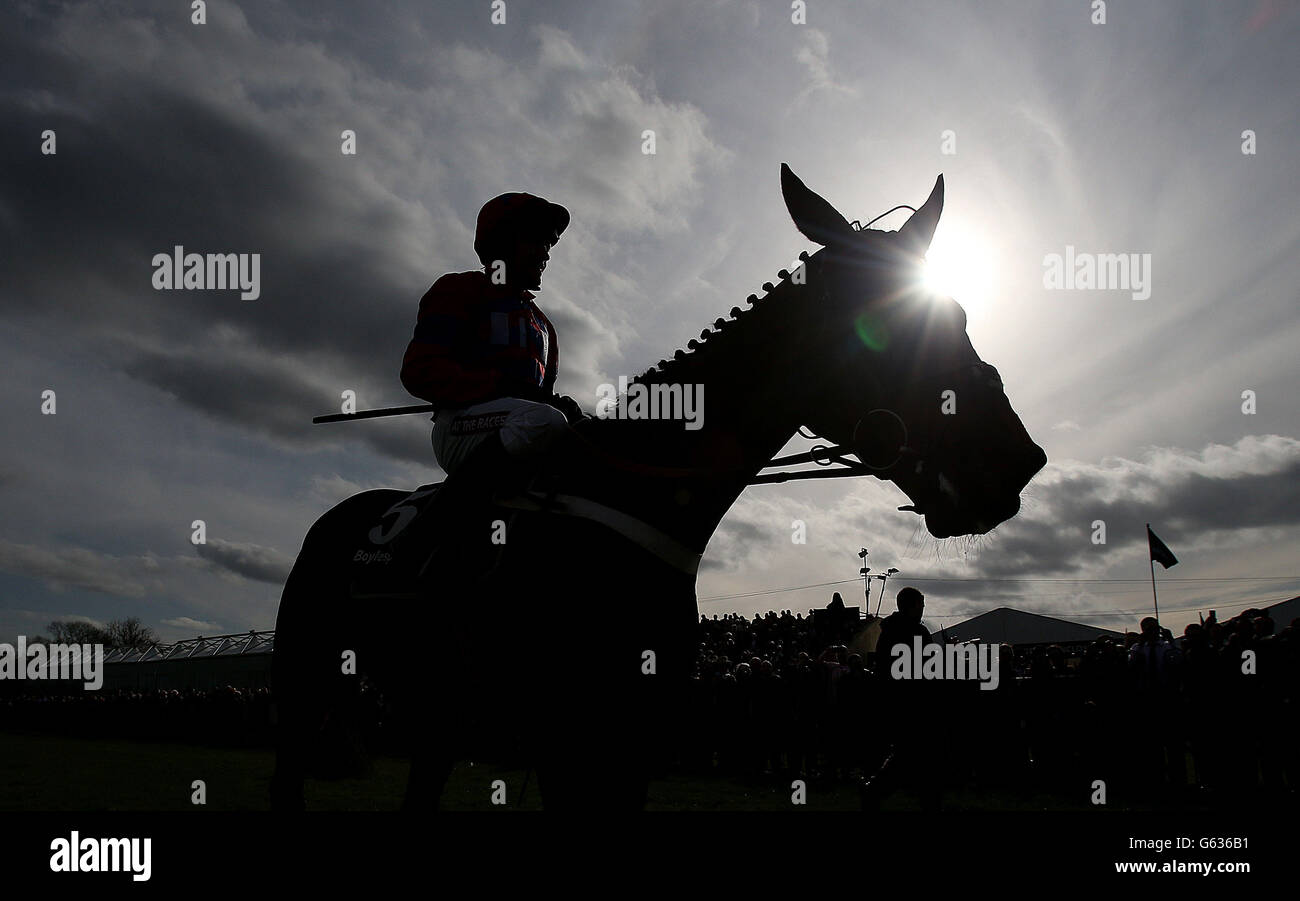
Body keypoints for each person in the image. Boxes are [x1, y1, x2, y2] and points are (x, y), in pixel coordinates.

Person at [398, 193, 589, 560]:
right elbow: (419, 371)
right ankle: (424, 535)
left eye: (549, 244)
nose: (546, 253)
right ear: (503, 243)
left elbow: (542, 400)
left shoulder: (546, 327)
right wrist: (498, 387)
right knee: (542, 420)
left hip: (524, 427)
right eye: (537, 240)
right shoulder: (459, 290)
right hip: (461, 428)